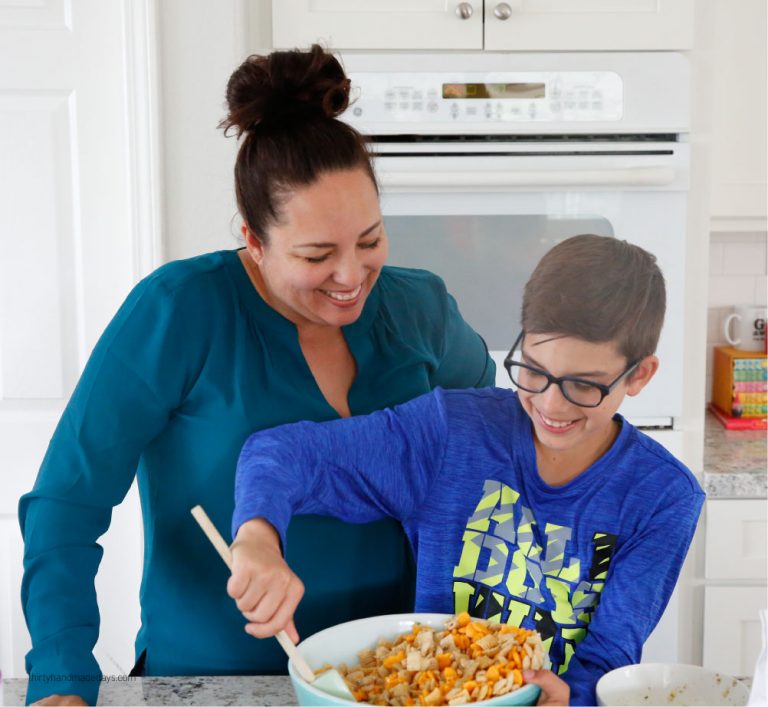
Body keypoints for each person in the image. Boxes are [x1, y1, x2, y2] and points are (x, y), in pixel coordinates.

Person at [17, 45, 495, 706]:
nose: (352, 276)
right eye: (317, 254)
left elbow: (494, 454)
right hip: (211, 683)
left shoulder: (422, 308)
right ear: (254, 239)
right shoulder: (177, 310)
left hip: (401, 679)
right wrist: (61, 680)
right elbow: (66, 504)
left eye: (371, 239)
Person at [229, 235, 705, 706]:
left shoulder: (663, 497)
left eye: (583, 385)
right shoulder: (451, 434)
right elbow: (284, 453)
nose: (549, 404)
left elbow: (608, 656)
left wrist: (571, 696)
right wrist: (258, 536)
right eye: (533, 370)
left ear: (639, 374)